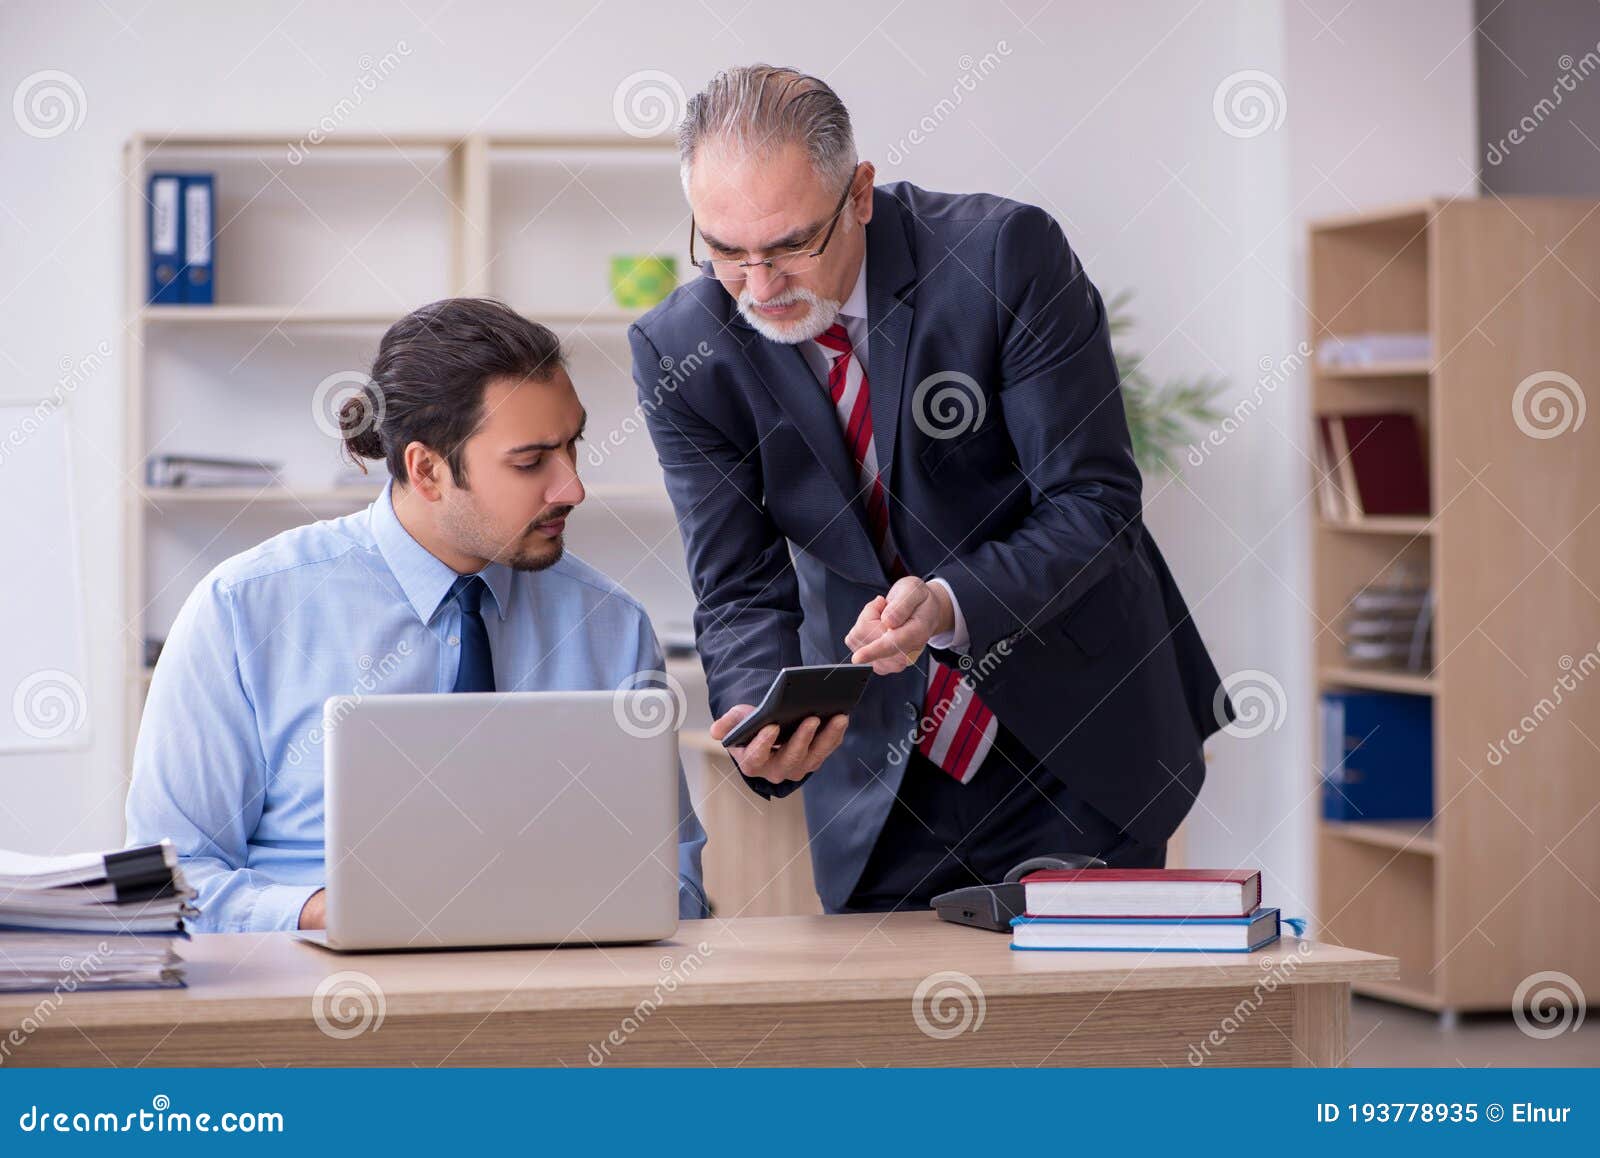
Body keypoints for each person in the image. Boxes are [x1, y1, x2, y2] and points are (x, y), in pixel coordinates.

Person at [631, 65, 1230, 915]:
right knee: (896, 1036)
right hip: (877, 762)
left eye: (792, 246)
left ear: (861, 194)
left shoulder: (1001, 255)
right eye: (726, 251)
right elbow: (736, 581)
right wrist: (762, 716)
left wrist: (949, 603)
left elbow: (1091, 501)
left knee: (1083, 1031)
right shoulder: (682, 349)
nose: (760, 290)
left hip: (1074, 733)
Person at [126, 298, 708, 932]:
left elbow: (670, 879)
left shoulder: (612, 628)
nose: (571, 488)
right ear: (426, 469)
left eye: (574, 447)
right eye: (530, 461)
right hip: (307, 993)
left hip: (550, 1000)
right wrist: (324, 913)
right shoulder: (243, 610)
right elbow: (172, 880)